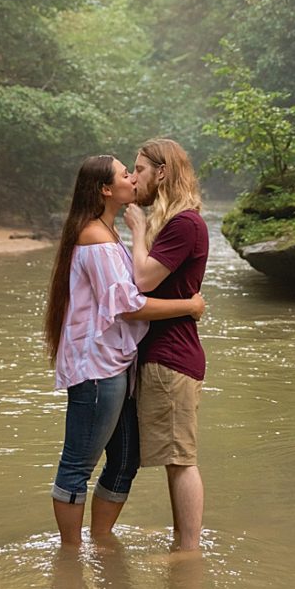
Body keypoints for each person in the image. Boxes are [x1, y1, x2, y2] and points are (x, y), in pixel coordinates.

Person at [43, 154, 206, 547]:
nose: (132, 179)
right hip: (97, 366)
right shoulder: (95, 238)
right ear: (104, 189)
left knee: (125, 459)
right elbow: (128, 306)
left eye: (135, 171)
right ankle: (70, 551)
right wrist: (189, 306)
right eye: (124, 173)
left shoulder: (108, 232)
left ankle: (100, 542)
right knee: (79, 462)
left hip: (117, 364)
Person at [125, 138, 210, 553]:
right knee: (177, 458)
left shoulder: (183, 224)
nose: (132, 175)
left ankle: (188, 552)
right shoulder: (175, 222)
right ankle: (184, 544)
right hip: (166, 355)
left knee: (180, 460)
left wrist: (138, 229)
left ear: (161, 173)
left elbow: (142, 282)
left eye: (138, 168)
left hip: (171, 357)